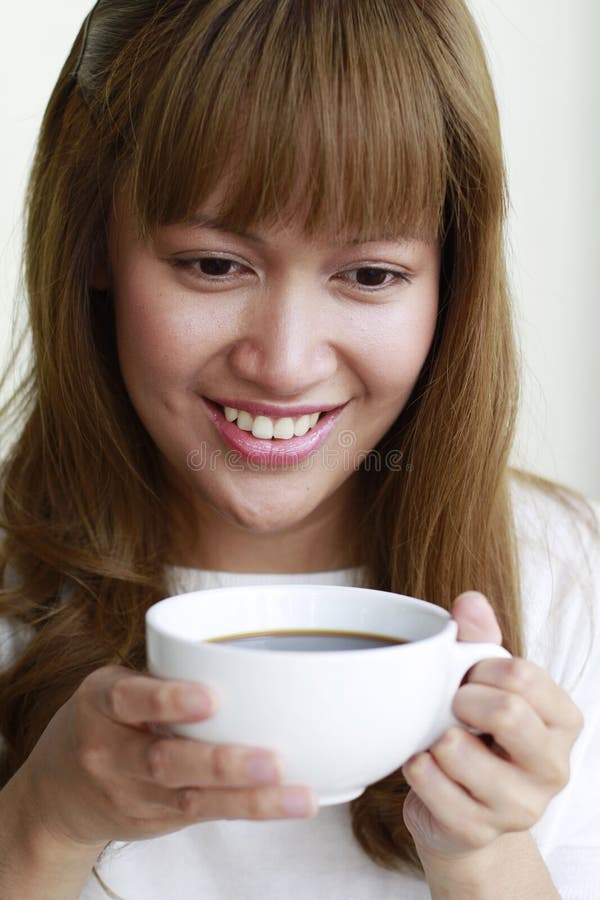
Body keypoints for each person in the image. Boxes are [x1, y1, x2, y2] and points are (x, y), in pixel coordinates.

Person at [0, 0, 598, 897]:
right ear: (95, 243)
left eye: (368, 275)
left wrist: (480, 852)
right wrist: (42, 823)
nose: (283, 364)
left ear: (451, 283)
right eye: (212, 264)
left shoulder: (558, 569)